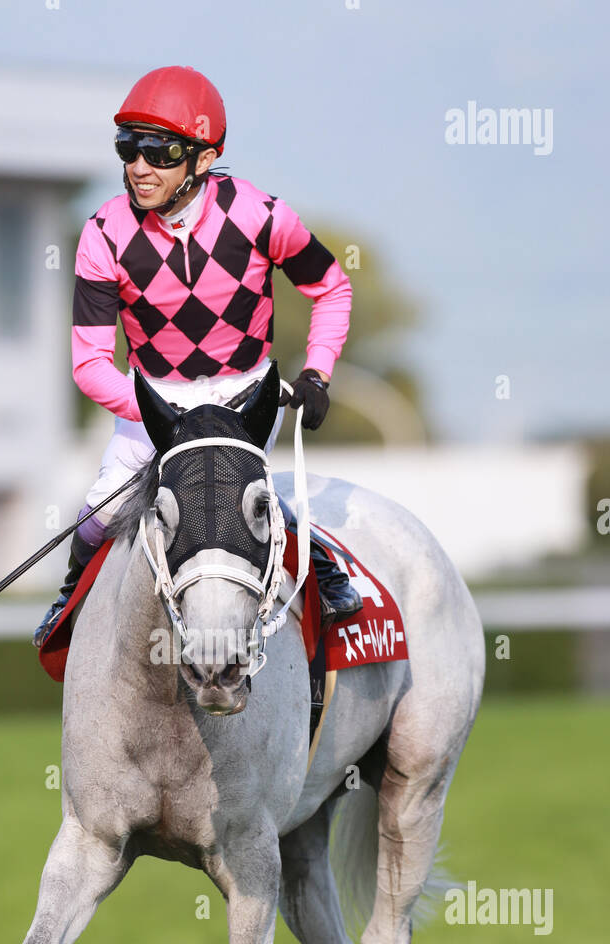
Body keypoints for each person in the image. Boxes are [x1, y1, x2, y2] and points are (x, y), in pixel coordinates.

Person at [33, 64, 363, 647]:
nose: (138, 167)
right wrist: (160, 415)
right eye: (128, 149)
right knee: (97, 517)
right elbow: (89, 364)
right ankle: (72, 597)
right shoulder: (104, 234)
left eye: (158, 153)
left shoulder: (261, 215)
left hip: (244, 396)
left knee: (239, 500)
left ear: (203, 160)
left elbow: (332, 287)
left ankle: (325, 575)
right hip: (152, 404)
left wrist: (317, 372)